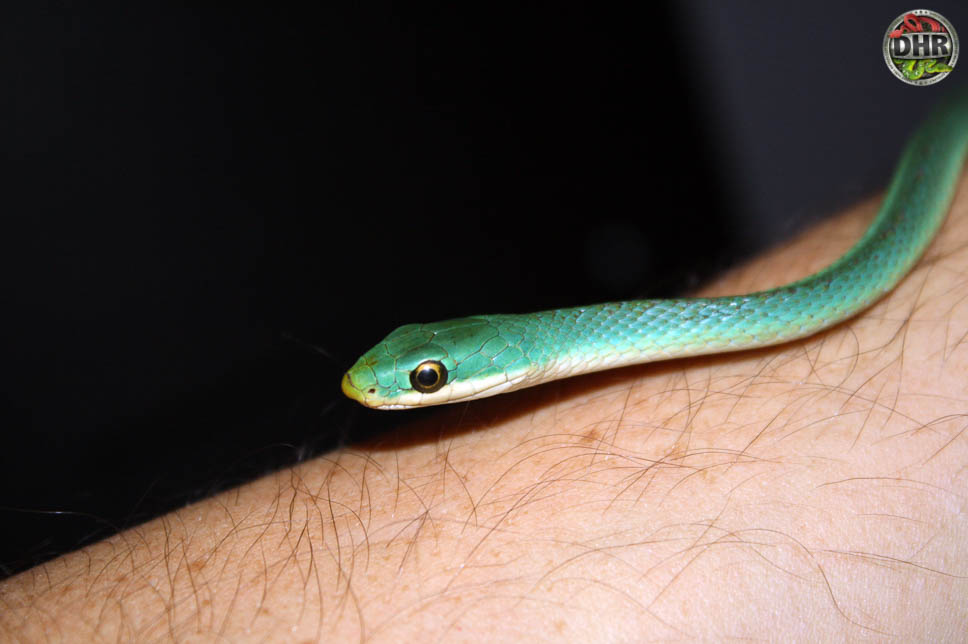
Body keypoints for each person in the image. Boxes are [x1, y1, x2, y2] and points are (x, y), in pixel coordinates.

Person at [3, 183, 968, 641]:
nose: (391, 387)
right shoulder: (514, 347)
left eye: (427, 379)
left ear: (488, 361)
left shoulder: (552, 342)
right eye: (425, 375)